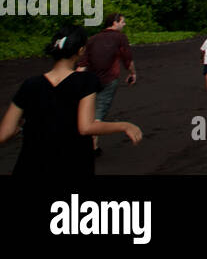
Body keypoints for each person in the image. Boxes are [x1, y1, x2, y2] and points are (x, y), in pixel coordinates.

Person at [0, 24, 142, 176]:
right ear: (81, 51)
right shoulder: (86, 81)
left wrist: (22, 128)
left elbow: (4, 134)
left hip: (30, 165)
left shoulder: (30, 84)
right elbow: (86, 127)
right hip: (72, 163)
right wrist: (124, 126)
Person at [80, 12, 135, 155]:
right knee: (100, 111)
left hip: (90, 79)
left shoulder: (93, 39)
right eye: (122, 22)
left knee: (87, 109)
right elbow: (127, 59)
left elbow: (82, 64)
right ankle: (93, 146)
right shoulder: (120, 38)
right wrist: (132, 73)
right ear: (115, 22)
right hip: (109, 79)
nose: (124, 24)